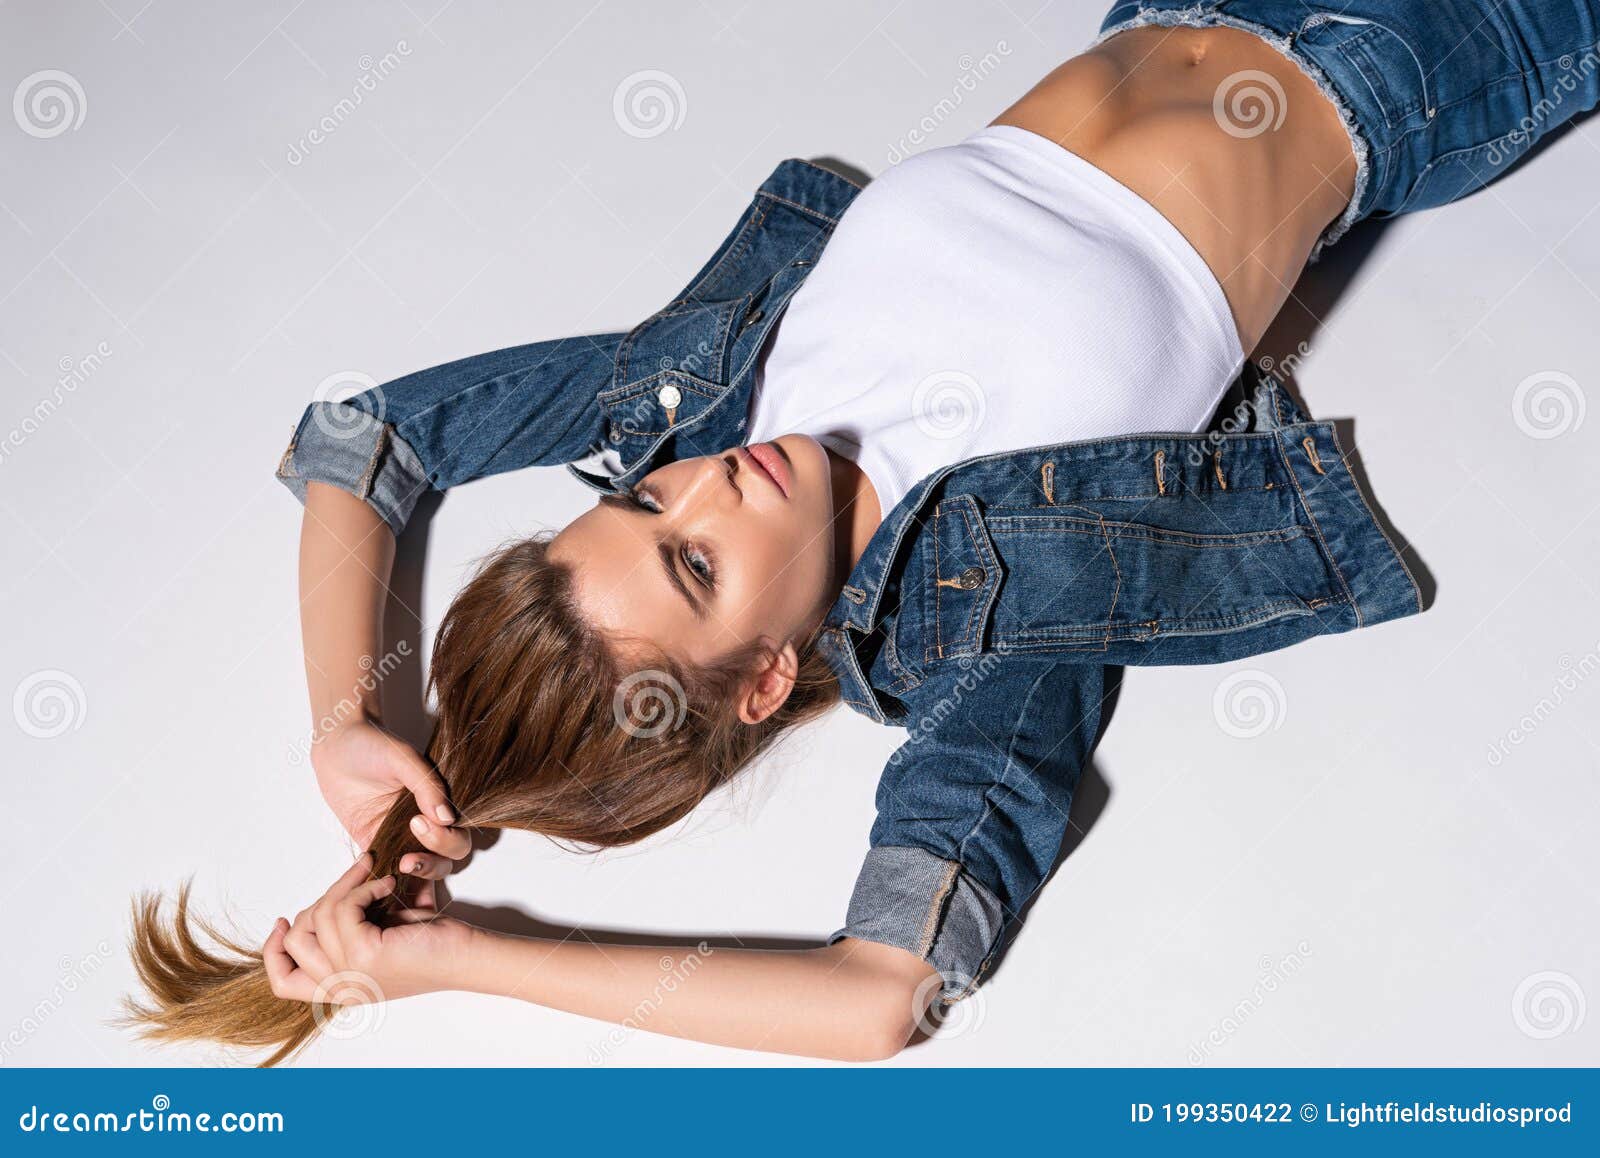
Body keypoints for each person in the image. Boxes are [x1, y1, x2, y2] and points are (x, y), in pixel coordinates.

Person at [126, 1, 1600, 1065]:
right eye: (693, 563)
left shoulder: (702, 396)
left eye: (640, 501)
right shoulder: (999, 611)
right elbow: (883, 991)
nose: (708, 484)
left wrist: (343, 724)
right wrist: (463, 955)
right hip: (1418, 56)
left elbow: (363, 437)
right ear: (763, 680)